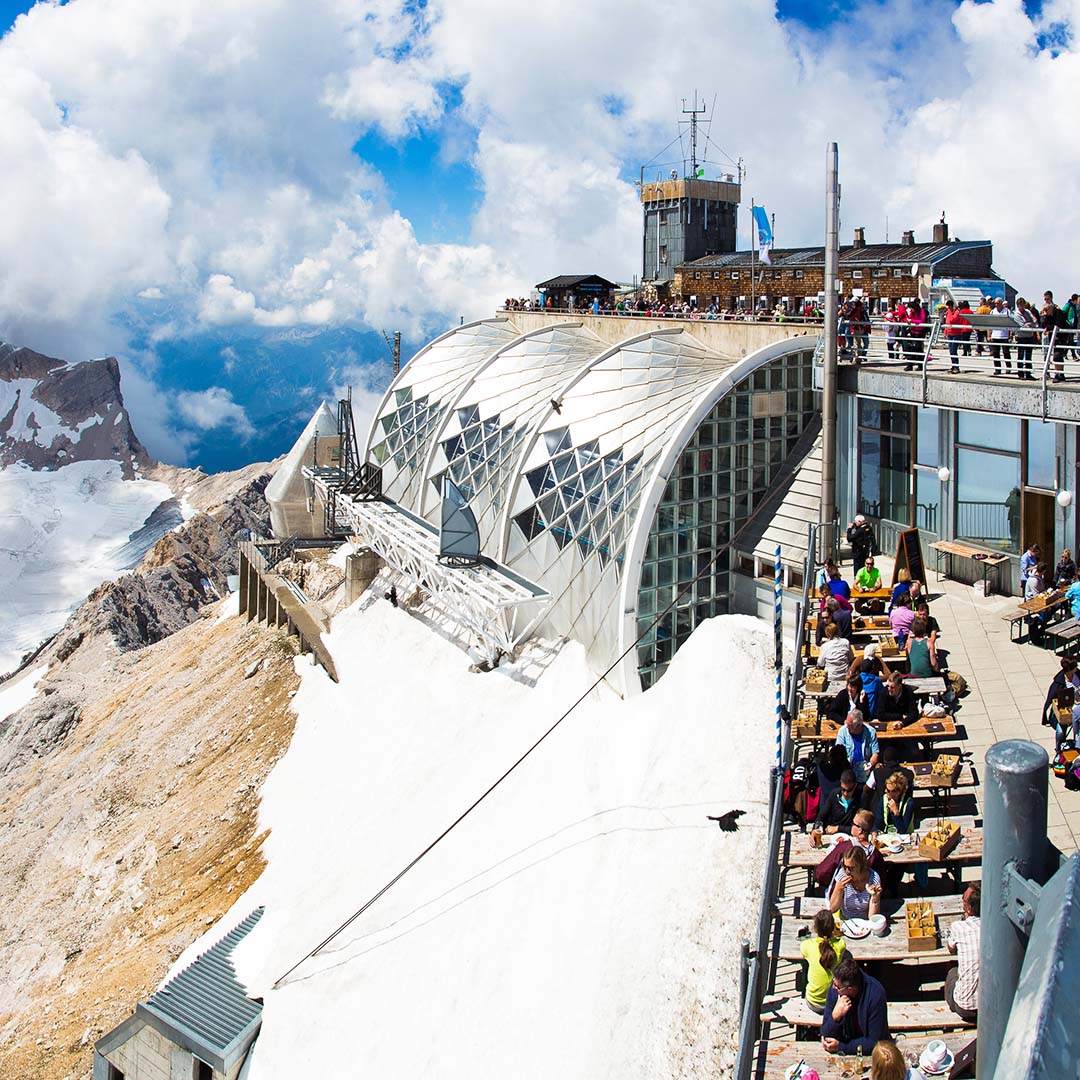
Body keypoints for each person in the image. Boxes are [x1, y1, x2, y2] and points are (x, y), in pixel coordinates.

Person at [820, 955, 891, 1055]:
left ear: (850, 989)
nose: (833, 987)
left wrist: (841, 1047)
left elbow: (875, 1042)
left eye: (837, 987)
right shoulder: (835, 991)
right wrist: (835, 1017)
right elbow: (826, 1034)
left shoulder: (875, 994)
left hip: (869, 1053)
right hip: (846, 1046)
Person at [945, 883, 981, 1022]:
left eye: (964, 900)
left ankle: (950, 1005)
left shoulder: (958, 927)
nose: (962, 901)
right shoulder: (991, 924)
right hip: (989, 1005)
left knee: (952, 971)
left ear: (969, 908)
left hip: (965, 1007)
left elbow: (951, 949)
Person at [801, 909, 847, 1015]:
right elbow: (840, 945)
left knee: (806, 966)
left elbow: (803, 950)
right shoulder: (840, 945)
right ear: (833, 927)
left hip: (813, 1002)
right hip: (832, 1003)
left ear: (815, 929)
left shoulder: (808, 946)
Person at [828, 845, 882, 921]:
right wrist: (838, 889)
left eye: (851, 868)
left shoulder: (874, 879)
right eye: (845, 866)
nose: (847, 871)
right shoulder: (842, 875)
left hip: (865, 921)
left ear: (861, 866)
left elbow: (872, 918)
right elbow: (832, 908)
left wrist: (875, 898)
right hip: (845, 919)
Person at [1041, 656, 1080, 749]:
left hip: (1078, 706)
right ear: (1069, 670)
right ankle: (1059, 750)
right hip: (1065, 710)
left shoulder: (1078, 675)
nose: (1076, 669)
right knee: (1060, 731)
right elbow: (1051, 701)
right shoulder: (1058, 683)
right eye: (1075, 668)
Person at [836, 708, 879, 784]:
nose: (847, 727)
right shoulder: (843, 731)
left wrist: (870, 765)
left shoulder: (871, 732)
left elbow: (875, 753)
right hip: (848, 771)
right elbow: (838, 753)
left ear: (858, 725)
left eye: (849, 725)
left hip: (866, 772)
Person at [816, 767, 864, 833]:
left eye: (849, 790)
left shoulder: (860, 797)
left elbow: (861, 827)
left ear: (855, 786)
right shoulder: (834, 795)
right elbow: (821, 817)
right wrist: (816, 830)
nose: (845, 793)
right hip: (833, 835)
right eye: (843, 790)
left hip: (851, 835)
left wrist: (838, 828)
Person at [874, 768, 915, 833]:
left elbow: (903, 830)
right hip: (887, 834)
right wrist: (874, 831)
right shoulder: (883, 800)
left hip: (904, 837)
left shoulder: (909, 803)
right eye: (886, 788)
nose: (885, 791)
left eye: (889, 791)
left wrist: (896, 813)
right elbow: (877, 822)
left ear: (898, 792)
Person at [819, 622, 855, 687]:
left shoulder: (825, 646)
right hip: (845, 674)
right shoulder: (846, 642)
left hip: (830, 676)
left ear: (828, 634)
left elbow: (820, 663)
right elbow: (851, 658)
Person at [1014, 297, 1040, 380]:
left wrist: (1030, 324)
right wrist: (1029, 324)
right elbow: (1022, 325)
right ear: (1017, 305)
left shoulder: (1028, 312)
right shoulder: (1016, 314)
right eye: (1020, 305)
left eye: (1023, 304)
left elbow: (1035, 321)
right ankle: (1020, 373)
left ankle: (1028, 373)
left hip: (1029, 336)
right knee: (1020, 356)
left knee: (1029, 356)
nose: (1022, 306)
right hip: (1021, 337)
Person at [943, 298, 970, 375]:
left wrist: (951, 312)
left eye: (948, 306)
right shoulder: (949, 312)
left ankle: (956, 366)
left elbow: (952, 320)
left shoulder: (957, 312)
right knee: (951, 350)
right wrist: (945, 332)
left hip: (956, 333)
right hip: (949, 333)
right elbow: (947, 322)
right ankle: (953, 365)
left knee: (954, 350)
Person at [989, 296, 1013, 374]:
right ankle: (997, 369)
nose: (996, 305)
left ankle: (1008, 367)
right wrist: (989, 335)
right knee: (996, 353)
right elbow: (989, 324)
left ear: (1001, 303)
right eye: (995, 303)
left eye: (998, 303)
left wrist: (1011, 334)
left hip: (1004, 335)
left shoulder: (1007, 311)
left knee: (1006, 352)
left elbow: (1011, 322)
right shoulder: (992, 312)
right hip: (995, 335)